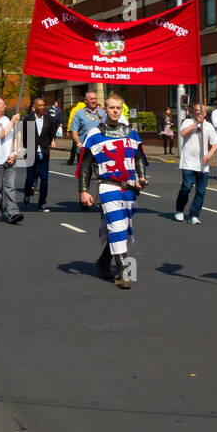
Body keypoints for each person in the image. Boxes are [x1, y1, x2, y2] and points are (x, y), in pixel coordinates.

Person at [78, 93, 147, 288]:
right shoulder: (94, 134)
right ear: (104, 109)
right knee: (117, 227)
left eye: (118, 108)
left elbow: (139, 156)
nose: (115, 111)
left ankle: (103, 261)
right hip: (108, 185)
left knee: (121, 229)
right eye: (111, 108)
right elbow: (85, 165)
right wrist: (84, 190)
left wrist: (142, 177)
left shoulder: (130, 132)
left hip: (130, 186)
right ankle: (124, 274)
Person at [175, 101, 217, 224]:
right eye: (195, 111)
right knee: (186, 187)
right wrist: (195, 123)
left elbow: (215, 143)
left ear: (205, 113)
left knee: (201, 191)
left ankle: (194, 214)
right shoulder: (188, 122)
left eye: (200, 112)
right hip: (188, 162)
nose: (198, 113)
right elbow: (183, 133)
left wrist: (209, 155)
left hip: (203, 165)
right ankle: (179, 210)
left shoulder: (209, 126)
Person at [20, 97, 57, 211]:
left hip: (44, 152)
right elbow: (24, 135)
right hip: (31, 153)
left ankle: (42, 203)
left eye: (43, 105)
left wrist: (52, 140)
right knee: (30, 178)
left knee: (44, 179)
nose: (42, 107)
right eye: (39, 105)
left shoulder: (48, 119)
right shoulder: (28, 119)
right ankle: (27, 194)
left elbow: (51, 132)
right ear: (34, 107)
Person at [69, 90, 105, 168]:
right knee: (84, 176)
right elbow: (74, 130)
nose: (94, 101)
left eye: (95, 99)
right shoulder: (79, 113)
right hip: (84, 150)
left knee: (101, 177)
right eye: (91, 99)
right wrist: (79, 144)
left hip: (100, 150)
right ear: (86, 101)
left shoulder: (102, 113)